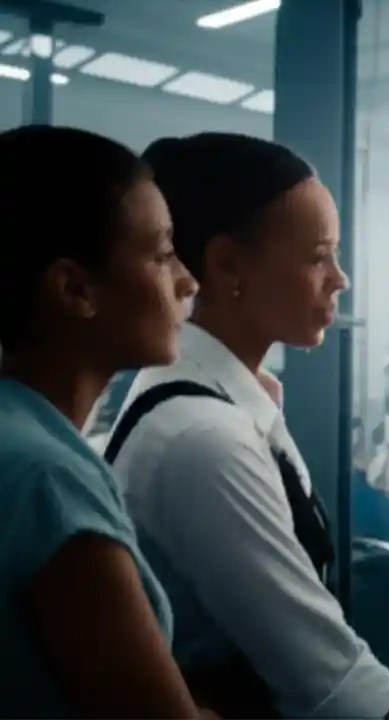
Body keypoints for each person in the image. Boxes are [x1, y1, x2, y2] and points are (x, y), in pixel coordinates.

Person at [103, 132, 389, 719]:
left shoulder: (225, 403)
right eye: (317, 256)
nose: (340, 278)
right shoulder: (202, 438)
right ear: (227, 264)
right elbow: (325, 676)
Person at [0, 125, 203, 717]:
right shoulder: (48, 481)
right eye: (163, 254)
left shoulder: (21, 435)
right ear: (75, 288)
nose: (187, 281)